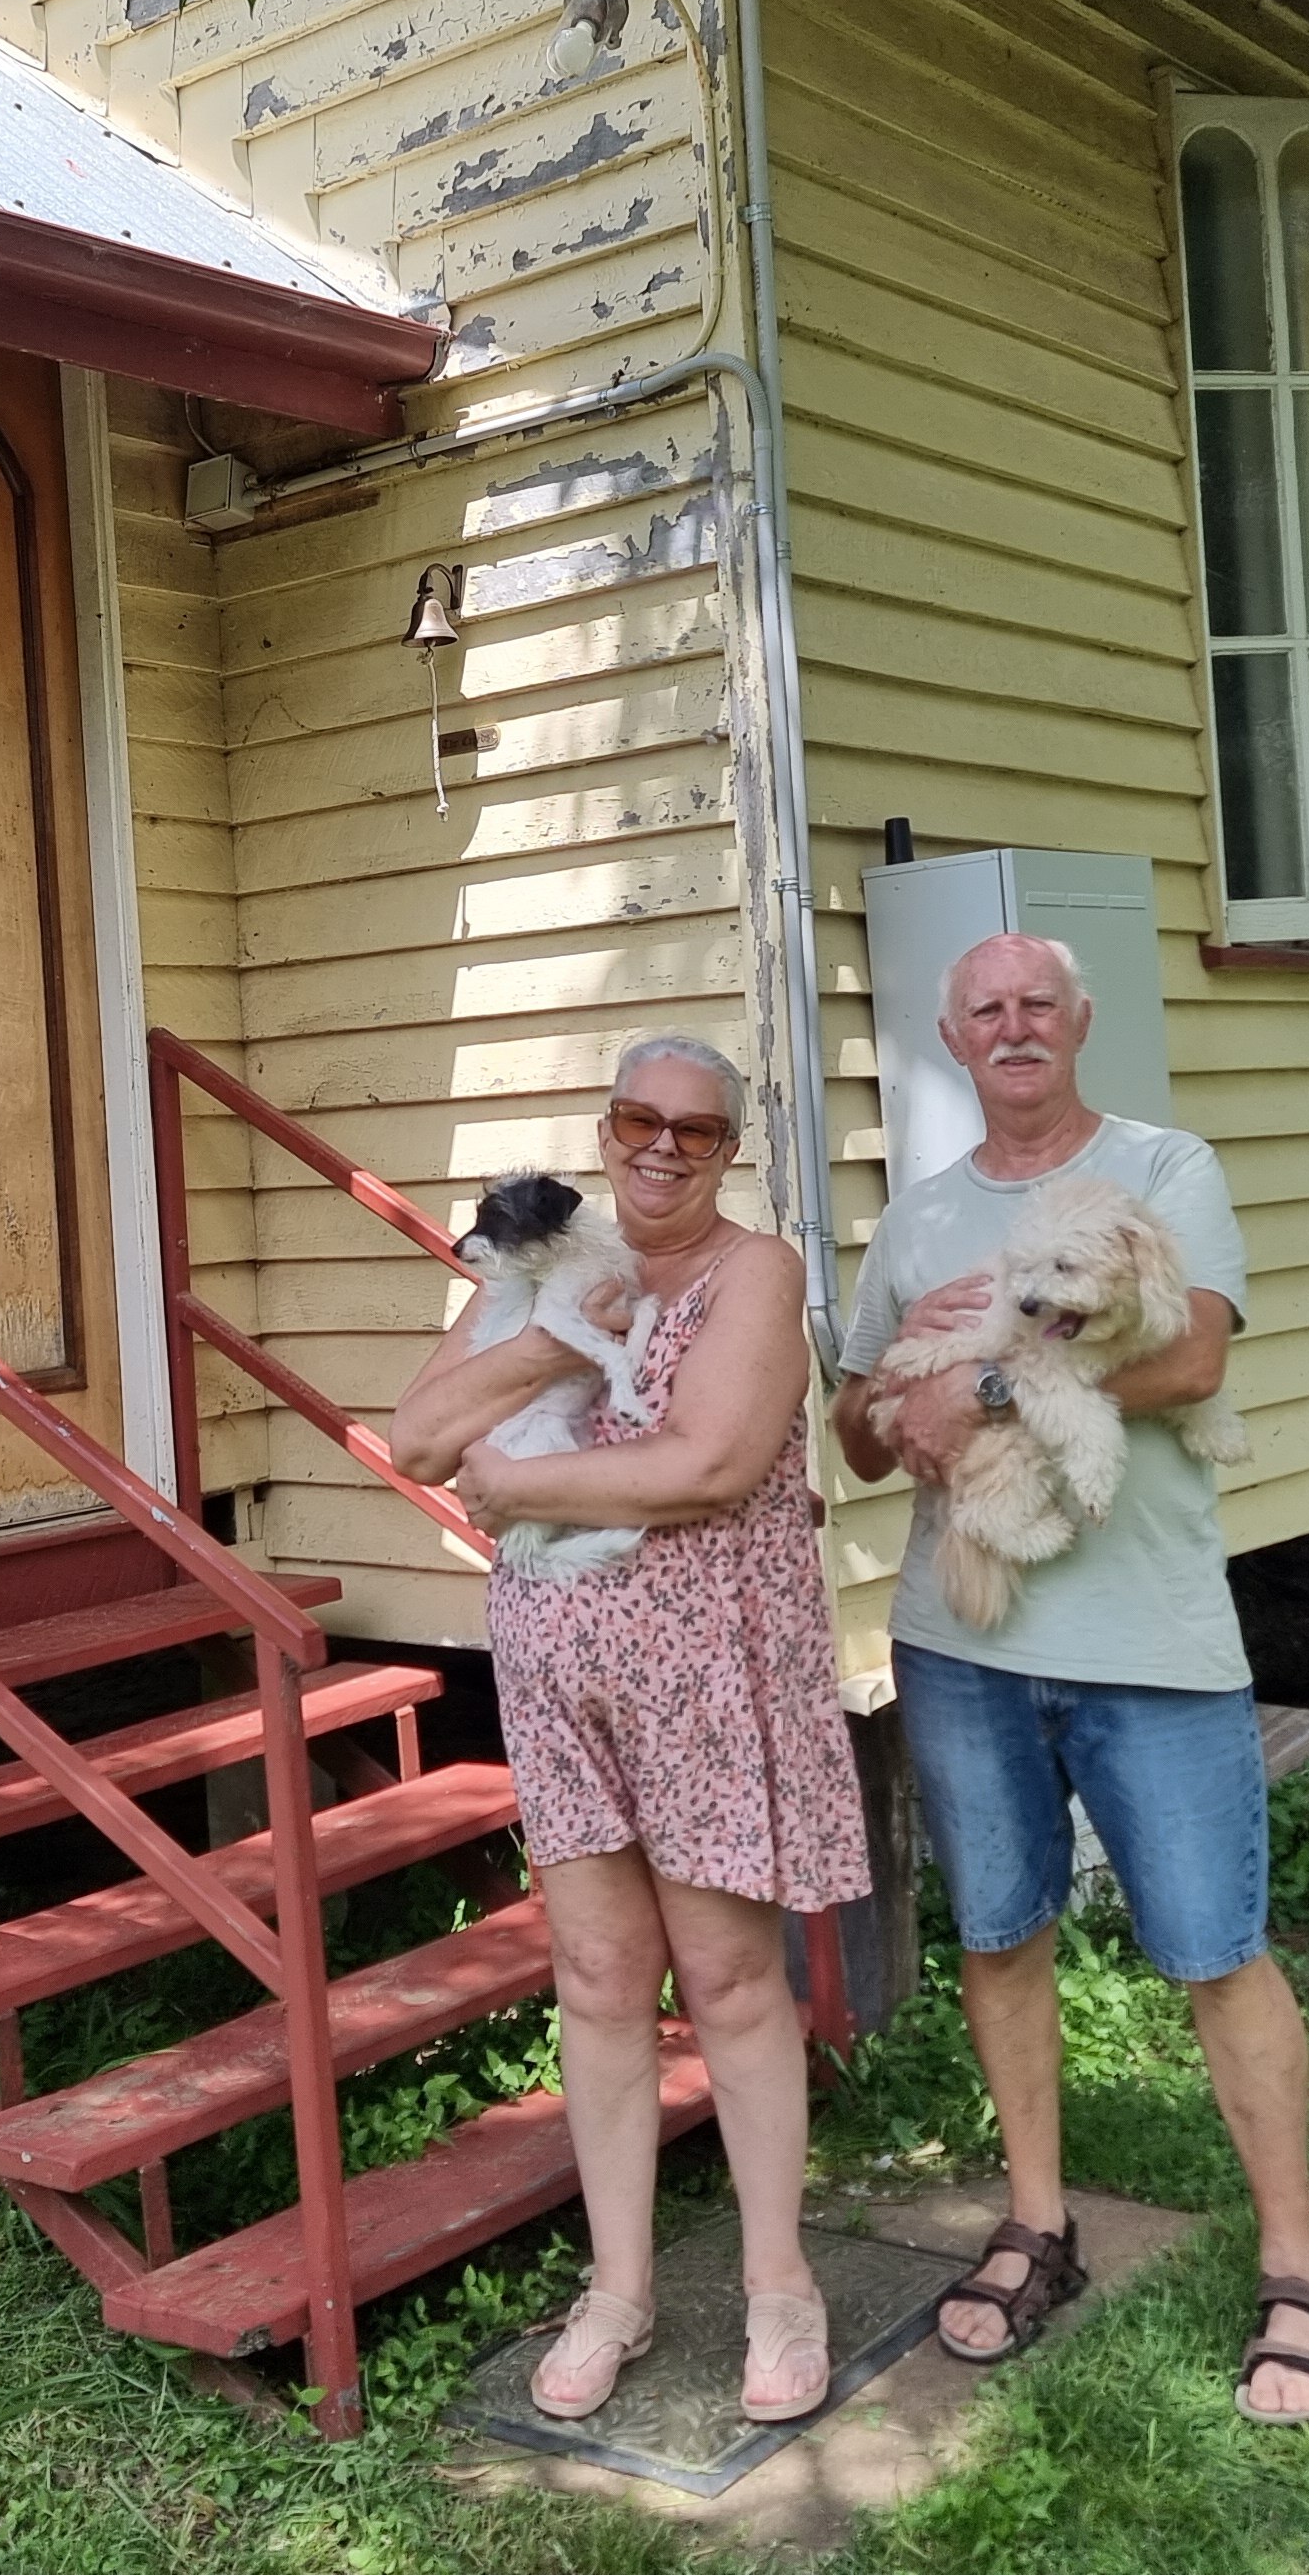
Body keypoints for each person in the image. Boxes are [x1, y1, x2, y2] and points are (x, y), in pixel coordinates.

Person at [829, 934, 1309, 2427]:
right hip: (964, 1644)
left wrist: (985, 1381)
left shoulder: (1162, 1168)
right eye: (984, 1008)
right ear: (950, 1034)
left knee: (1213, 1947)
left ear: (1080, 1022)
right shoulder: (923, 1218)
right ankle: (1039, 2225)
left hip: (1149, 1648)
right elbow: (862, 1430)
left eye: (1036, 1005)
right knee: (999, 1935)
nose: (1012, 1027)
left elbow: (1190, 1361)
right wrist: (892, 1407)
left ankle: (1297, 2264)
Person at [391, 1031, 869, 2428]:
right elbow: (416, 1442)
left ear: (731, 1152)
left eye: (697, 1131)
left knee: (728, 1978)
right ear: (602, 1133)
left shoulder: (756, 1275)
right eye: (636, 1121)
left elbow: (713, 1465)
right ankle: (619, 2290)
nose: (662, 1147)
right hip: (557, 1672)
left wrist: (520, 1481)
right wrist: (543, 1342)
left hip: (709, 1669)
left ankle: (782, 2287)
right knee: (598, 1976)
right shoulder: (554, 1272)